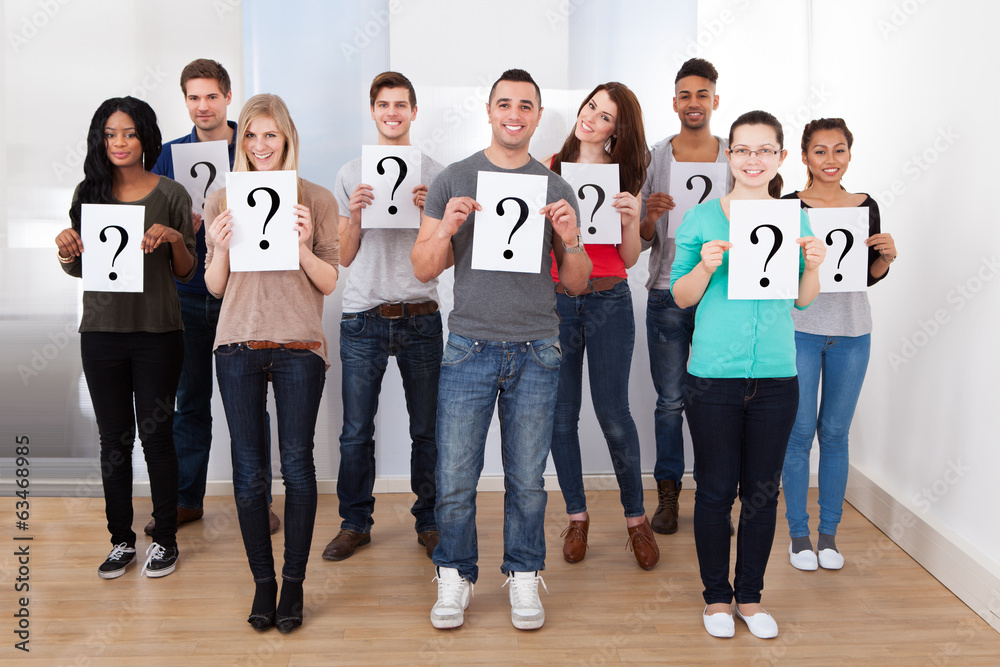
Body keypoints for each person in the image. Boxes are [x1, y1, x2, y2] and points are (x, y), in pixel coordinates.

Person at [412, 69, 591, 631]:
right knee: (456, 473)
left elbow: (579, 282)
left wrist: (572, 241)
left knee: (528, 479)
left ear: (538, 116)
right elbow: (423, 267)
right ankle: (456, 574)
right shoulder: (455, 179)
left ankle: (522, 572)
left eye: (527, 106)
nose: (515, 113)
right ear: (489, 111)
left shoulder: (556, 188)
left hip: (538, 348)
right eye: (505, 104)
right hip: (469, 345)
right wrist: (448, 229)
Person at [670, 110, 825, 639]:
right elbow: (680, 297)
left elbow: (802, 303)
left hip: (778, 376)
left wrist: (813, 265)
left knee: (763, 490)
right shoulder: (703, 219)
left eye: (765, 150)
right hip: (713, 375)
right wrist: (705, 267)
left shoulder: (794, 219)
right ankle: (716, 598)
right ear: (728, 156)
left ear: (780, 157)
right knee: (715, 490)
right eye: (743, 149)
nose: (753, 159)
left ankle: (751, 598)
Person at [205, 94, 340, 633]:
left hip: (299, 347)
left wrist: (304, 244)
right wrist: (218, 248)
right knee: (248, 470)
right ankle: (263, 582)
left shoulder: (319, 199)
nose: (261, 146)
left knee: (298, 465)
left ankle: (295, 585)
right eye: (252, 137)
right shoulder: (223, 199)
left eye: (271, 135)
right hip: (237, 344)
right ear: (243, 143)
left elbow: (330, 281)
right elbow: (217, 288)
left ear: (287, 138)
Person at [55, 96, 196, 579]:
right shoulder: (87, 192)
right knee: (112, 438)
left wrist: (176, 239)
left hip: (158, 332)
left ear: (145, 139)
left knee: (158, 437)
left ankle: (166, 541)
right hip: (101, 334)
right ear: (101, 139)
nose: (119, 142)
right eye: (111, 133)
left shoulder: (172, 194)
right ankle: (121, 540)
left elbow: (185, 270)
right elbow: (82, 270)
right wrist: (66, 251)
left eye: (129, 133)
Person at [147, 58, 282, 537]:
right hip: (184, 294)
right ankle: (187, 499)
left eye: (211, 96)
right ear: (185, 101)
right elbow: (152, 221)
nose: (202, 106)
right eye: (193, 97)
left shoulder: (251, 147)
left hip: (240, 295)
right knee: (189, 401)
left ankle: (260, 500)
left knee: (250, 405)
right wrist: (184, 225)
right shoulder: (167, 155)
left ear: (227, 97)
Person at [324, 71, 445, 562]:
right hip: (363, 317)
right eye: (383, 105)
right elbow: (344, 256)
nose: (392, 113)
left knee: (428, 429)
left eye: (401, 105)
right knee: (356, 431)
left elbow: (447, 255)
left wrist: (428, 218)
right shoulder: (351, 173)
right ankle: (355, 523)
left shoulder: (437, 174)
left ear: (414, 112)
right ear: (373, 112)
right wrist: (353, 215)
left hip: (420, 314)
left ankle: (431, 521)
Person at [541, 82, 658, 569]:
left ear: (617, 129)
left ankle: (636, 521)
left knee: (613, 414)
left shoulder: (626, 175)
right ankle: (577, 516)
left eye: (605, 116)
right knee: (560, 416)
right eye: (591, 107)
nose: (592, 118)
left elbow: (628, 258)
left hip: (609, 299)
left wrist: (632, 222)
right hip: (556, 302)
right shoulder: (549, 168)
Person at [782, 118, 896, 571]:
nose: (831, 160)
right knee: (798, 434)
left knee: (834, 434)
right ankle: (798, 535)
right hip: (801, 329)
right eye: (820, 151)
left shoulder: (866, 205)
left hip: (852, 331)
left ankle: (828, 535)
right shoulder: (789, 206)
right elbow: (778, 275)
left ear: (850, 154)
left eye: (839, 150)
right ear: (805, 156)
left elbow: (866, 275)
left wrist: (885, 258)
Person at [640, 58, 734, 535]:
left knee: (718, 397)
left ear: (715, 101)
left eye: (702, 95)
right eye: (684, 95)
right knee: (671, 401)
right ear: (673, 102)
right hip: (667, 293)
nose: (692, 103)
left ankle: (715, 496)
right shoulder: (657, 157)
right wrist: (649, 217)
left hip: (722, 295)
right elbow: (636, 240)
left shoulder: (733, 158)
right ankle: (669, 494)